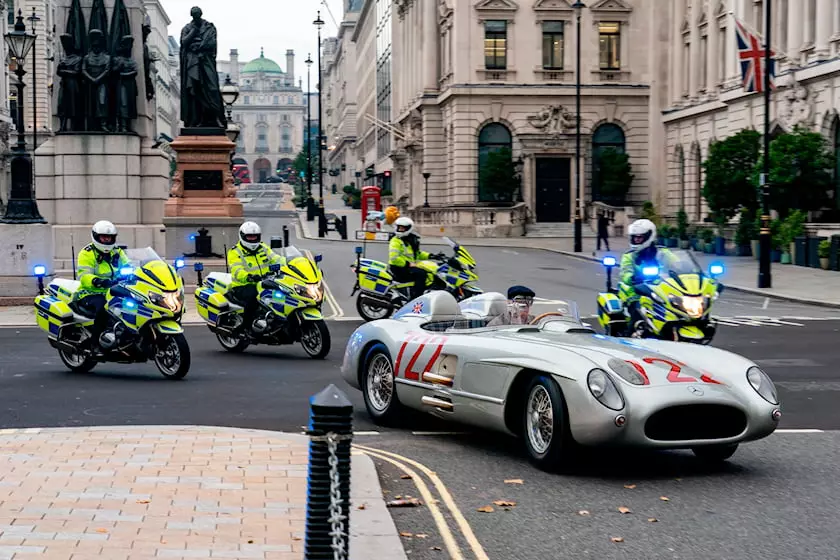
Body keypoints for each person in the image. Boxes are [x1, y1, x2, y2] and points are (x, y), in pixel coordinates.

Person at [75, 221, 131, 353]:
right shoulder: (87, 253)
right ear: (96, 237)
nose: (107, 240)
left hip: (114, 290)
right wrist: (98, 281)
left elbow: (129, 265)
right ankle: (95, 344)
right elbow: (83, 276)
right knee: (104, 308)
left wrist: (133, 272)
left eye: (109, 237)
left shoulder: (117, 251)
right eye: (103, 237)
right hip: (90, 293)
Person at [619, 219, 674, 337]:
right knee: (638, 310)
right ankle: (628, 337)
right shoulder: (629, 256)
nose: (636, 240)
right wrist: (633, 277)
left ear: (649, 236)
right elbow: (625, 272)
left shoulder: (663, 253)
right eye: (634, 238)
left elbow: (677, 264)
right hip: (636, 292)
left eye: (640, 238)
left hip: (661, 291)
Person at [226, 222, 285, 332]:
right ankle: (246, 326)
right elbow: (237, 270)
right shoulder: (235, 252)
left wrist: (290, 262)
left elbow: (276, 258)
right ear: (243, 236)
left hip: (265, 282)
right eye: (249, 237)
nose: (252, 239)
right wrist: (248, 276)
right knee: (255, 296)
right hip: (244, 285)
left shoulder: (263, 247)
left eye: (255, 237)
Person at [388, 217, 434, 301]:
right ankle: (416, 299)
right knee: (422, 274)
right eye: (399, 227)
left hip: (406, 267)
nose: (400, 230)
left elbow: (417, 254)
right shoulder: (396, 241)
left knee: (430, 272)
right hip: (399, 268)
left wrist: (431, 256)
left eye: (402, 228)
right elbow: (394, 258)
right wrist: (408, 264)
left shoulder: (409, 240)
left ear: (408, 229)